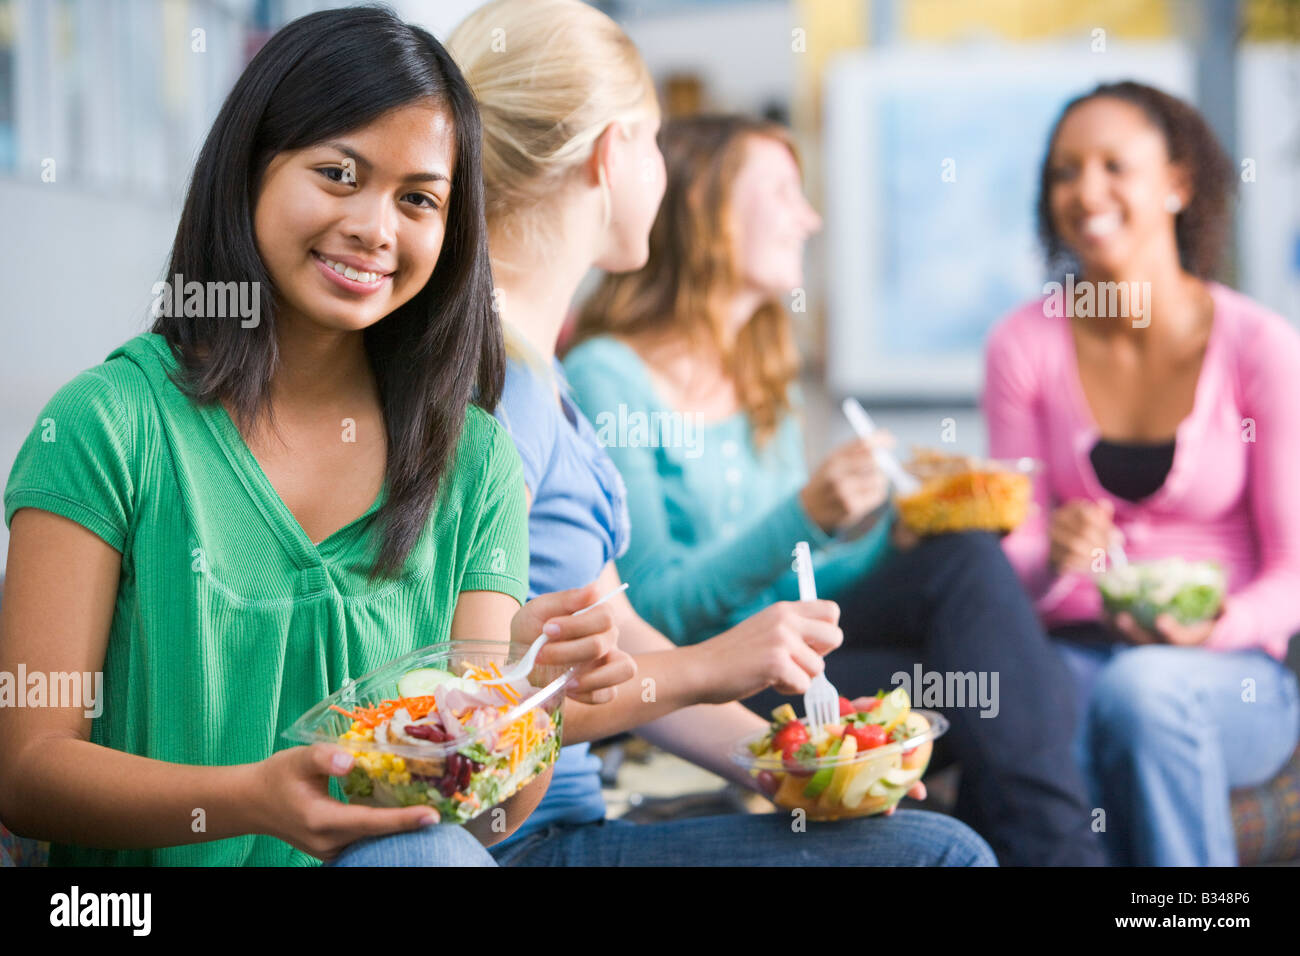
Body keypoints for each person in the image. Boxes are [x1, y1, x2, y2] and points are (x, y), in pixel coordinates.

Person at [328, 0, 995, 867]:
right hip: (520, 841)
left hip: (567, 822)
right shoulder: (501, 388)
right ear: (612, 153)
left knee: (929, 843)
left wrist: (786, 766)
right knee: (943, 856)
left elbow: (627, 635)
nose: (664, 174)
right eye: (651, 141)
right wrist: (716, 662)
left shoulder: (537, 375)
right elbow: (459, 696)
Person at [0, 7, 633, 867]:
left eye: (419, 199)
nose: (377, 228)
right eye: (339, 174)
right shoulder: (108, 424)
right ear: (249, 170)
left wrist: (528, 696)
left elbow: (485, 819)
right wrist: (249, 800)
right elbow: (27, 773)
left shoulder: (474, 462)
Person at [563, 113, 1105, 866]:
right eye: (784, 192)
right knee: (1015, 686)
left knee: (967, 561)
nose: (809, 217)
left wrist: (893, 531)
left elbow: (795, 579)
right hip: (704, 682)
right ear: (707, 212)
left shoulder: (758, 372)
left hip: (790, 657)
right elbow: (654, 614)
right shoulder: (606, 375)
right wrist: (807, 512)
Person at [983, 80, 1300, 866]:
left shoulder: (1259, 347)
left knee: (1143, 691)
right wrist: (1052, 557)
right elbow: (1008, 566)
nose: (1086, 191)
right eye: (1064, 172)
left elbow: (1293, 572)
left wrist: (1212, 629)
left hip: (1232, 676)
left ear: (1177, 184)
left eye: (1113, 165)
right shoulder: (1023, 346)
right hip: (1076, 650)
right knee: (1041, 701)